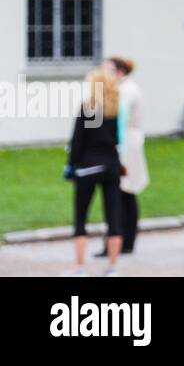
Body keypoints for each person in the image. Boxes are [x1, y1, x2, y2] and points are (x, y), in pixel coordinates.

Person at [66, 65, 124, 275]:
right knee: (113, 216)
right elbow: (118, 139)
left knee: (81, 215)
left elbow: (77, 142)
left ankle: (80, 266)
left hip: (88, 167)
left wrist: (70, 167)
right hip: (111, 165)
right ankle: (113, 266)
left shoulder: (86, 109)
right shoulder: (115, 110)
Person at [97, 57, 147, 256]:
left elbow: (118, 118)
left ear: (119, 72)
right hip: (128, 143)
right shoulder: (126, 89)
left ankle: (120, 241)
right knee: (125, 194)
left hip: (125, 145)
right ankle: (125, 241)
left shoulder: (125, 91)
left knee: (120, 194)